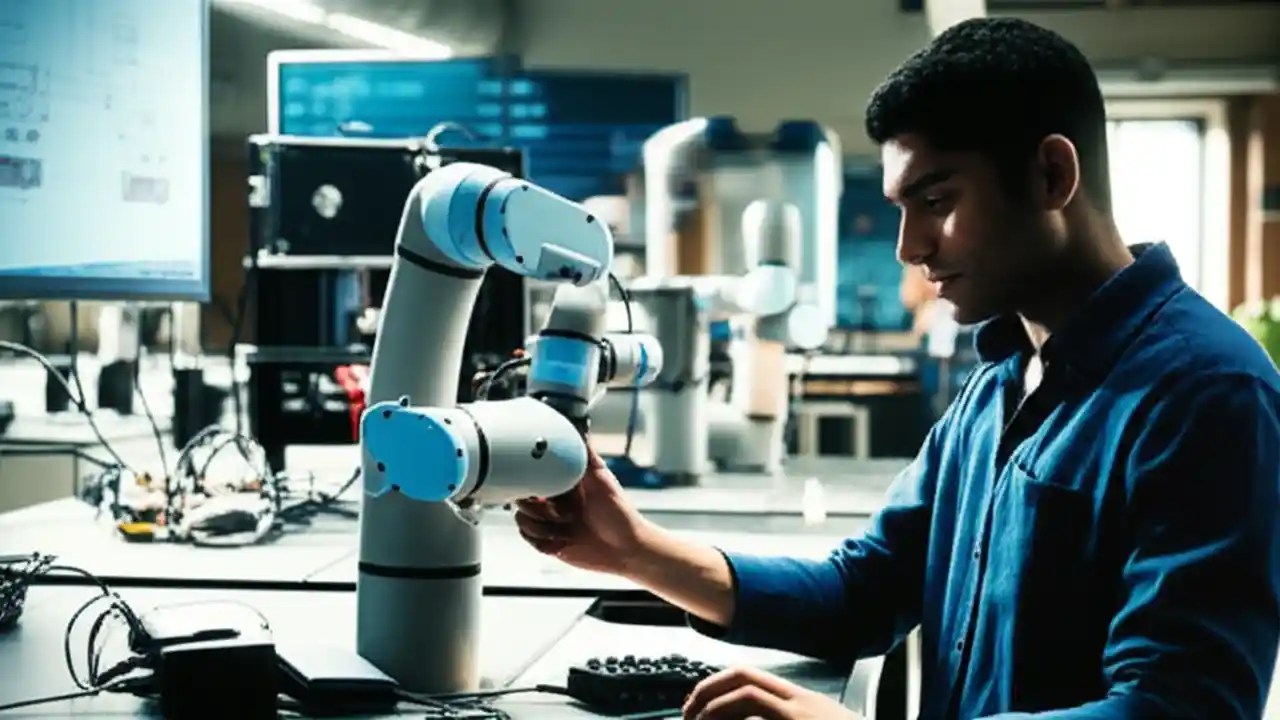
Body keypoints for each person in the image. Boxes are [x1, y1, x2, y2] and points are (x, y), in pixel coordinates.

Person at [517, 17, 1280, 720]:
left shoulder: (1210, 395)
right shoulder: (1000, 385)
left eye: (938, 200)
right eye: (900, 208)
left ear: (1052, 175)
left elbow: (1178, 708)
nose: (910, 248)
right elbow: (865, 591)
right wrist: (633, 549)